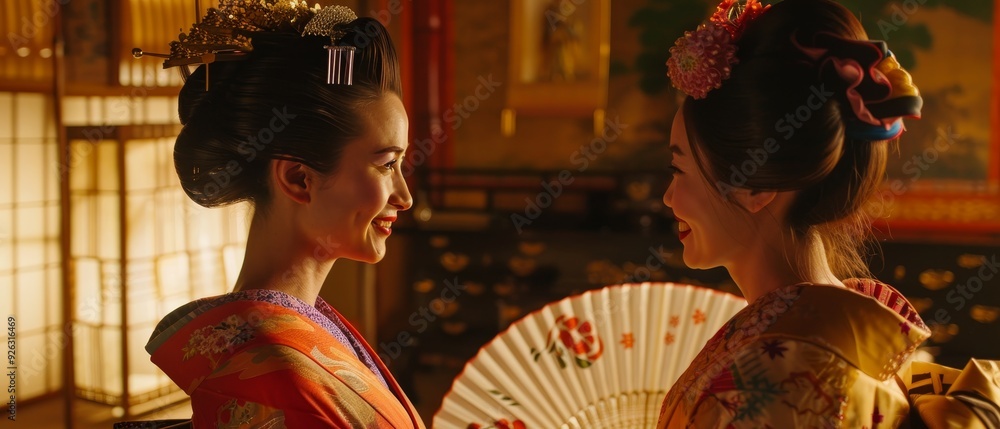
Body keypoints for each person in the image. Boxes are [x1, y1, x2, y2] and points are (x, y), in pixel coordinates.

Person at [657, 0, 998, 427]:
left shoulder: (772, 382)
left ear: (755, 186)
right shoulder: (821, 342)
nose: (669, 198)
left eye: (679, 170)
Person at [142, 2, 424, 427]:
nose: (404, 197)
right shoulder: (274, 371)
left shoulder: (297, 328)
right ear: (298, 179)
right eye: (386, 164)